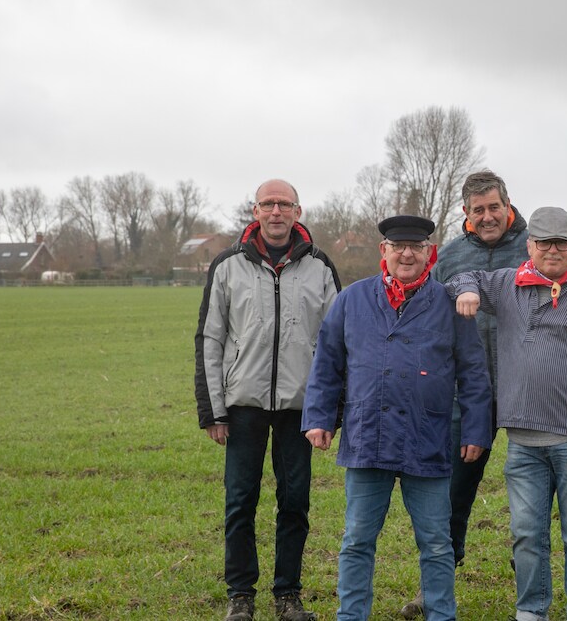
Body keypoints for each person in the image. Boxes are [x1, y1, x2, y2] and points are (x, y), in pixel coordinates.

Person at [301, 215, 493, 621]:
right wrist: (319, 417)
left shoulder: (449, 304)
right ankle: (351, 615)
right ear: (383, 251)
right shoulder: (352, 299)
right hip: (367, 437)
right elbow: (327, 363)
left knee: (437, 542)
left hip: (428, 437)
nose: (407, 254)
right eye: (398, 246)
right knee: (357, 538)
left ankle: (441, 614)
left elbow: (474, 373)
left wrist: (476, 429)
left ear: (429, 253)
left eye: (416, 247)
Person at [449, 206, 567, 621]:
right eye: (544, 242)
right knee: (526, 534)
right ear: (529, 245)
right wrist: (467, 291)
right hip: (523, 444)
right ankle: (531, 610)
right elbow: (462, 277)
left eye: (561, 243)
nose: (552, 250)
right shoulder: (508, 285)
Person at [195, 179, 340, 621]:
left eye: (284, 204)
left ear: (298, 211)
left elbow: (337, 343)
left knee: (295, 503)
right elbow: (210, 338)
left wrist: (330, 410)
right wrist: (213, 409)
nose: (276, 211)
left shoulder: (320, 267)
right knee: (240, 501)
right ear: (255, 211)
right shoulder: (227, 265)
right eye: (268, 204)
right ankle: (241, 595)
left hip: (301, 408)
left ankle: (288, 594)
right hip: (243, 406)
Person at [401, 169, 531, 618]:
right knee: (452, 490)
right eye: (479, 210)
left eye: (494, 207)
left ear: (507, 205)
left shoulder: (535, 248)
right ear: (466, 212)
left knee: (532, 494)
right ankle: (436, 581)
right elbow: (425, 317)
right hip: (465, 394)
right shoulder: (451, 257)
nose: (487, 216)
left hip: (529, 390)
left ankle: (530, 578)